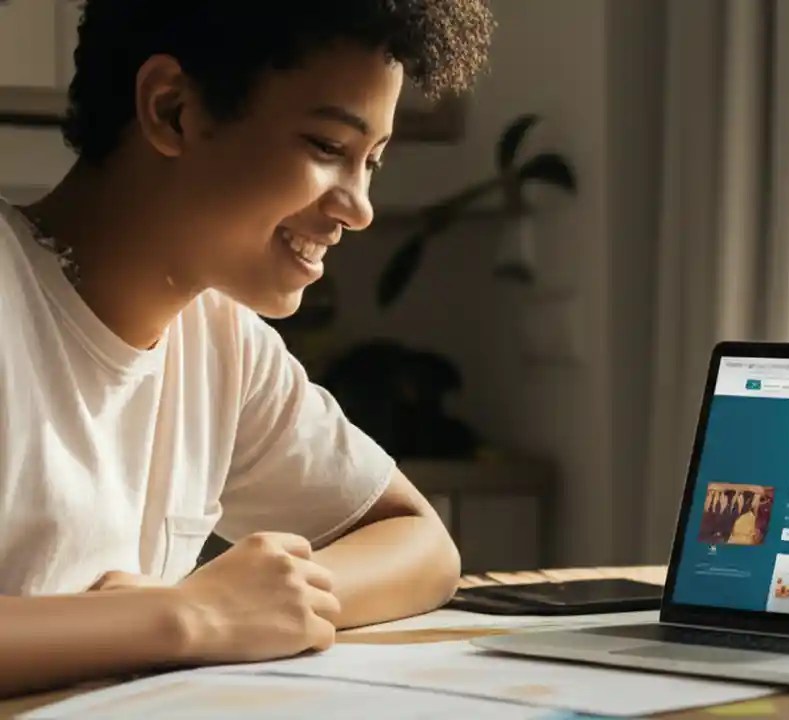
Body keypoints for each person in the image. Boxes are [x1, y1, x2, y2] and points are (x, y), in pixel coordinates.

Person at [0, 0, 493, 698]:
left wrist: (269, 606)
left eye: (372, 162)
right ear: (172, 110)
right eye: (328, 149)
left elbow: (421, 545)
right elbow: (191, 620)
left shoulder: (223, 341)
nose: (360, 207)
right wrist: (184, 618)